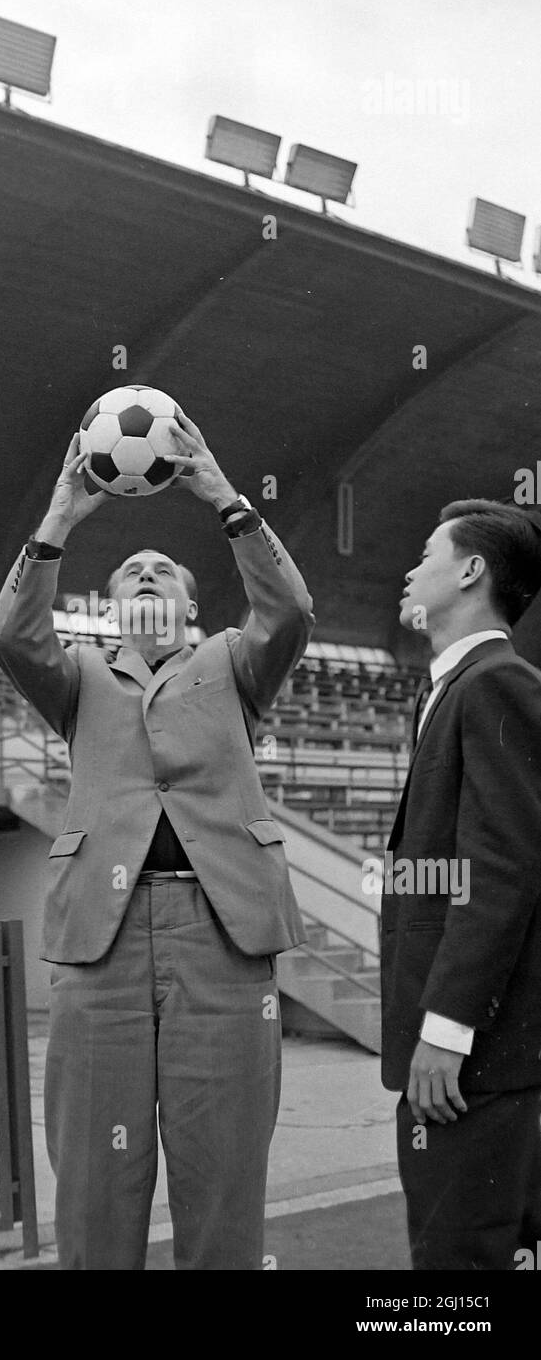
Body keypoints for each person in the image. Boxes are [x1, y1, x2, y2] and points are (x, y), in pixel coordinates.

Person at [0, 413, 314, 1269]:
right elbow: (10, 637)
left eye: (162, 568)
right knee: (95, 1176)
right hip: (102, 942)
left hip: (222, 934)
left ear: (191, 603)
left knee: (222, 1173)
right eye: (129, 570)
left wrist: (219, 493)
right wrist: (60, 516)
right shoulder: (79, 676)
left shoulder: (234, 662)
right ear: (109, 606)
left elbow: (289, 610)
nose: (145, 573)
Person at [384, 498, 541, 1270]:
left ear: (471, 571)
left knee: (457, 1267)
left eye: (424, 551)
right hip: (472, 1056)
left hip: (472, 1061)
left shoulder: (493, 684)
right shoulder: (453, 687)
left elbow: (502, 868)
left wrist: (445, 1030)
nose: (409, 570)